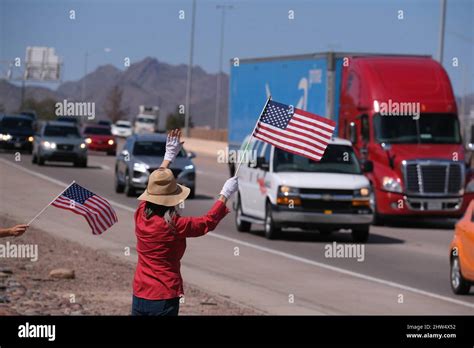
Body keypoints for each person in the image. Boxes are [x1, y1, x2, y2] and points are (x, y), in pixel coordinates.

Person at [131, 129, 239, 316]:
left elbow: (157, 184)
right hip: (164, 296)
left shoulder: (141, 215)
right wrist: (225, 194)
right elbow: (207, 222)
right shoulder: (174, 225)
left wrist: (168, 157)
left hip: (140, 293)